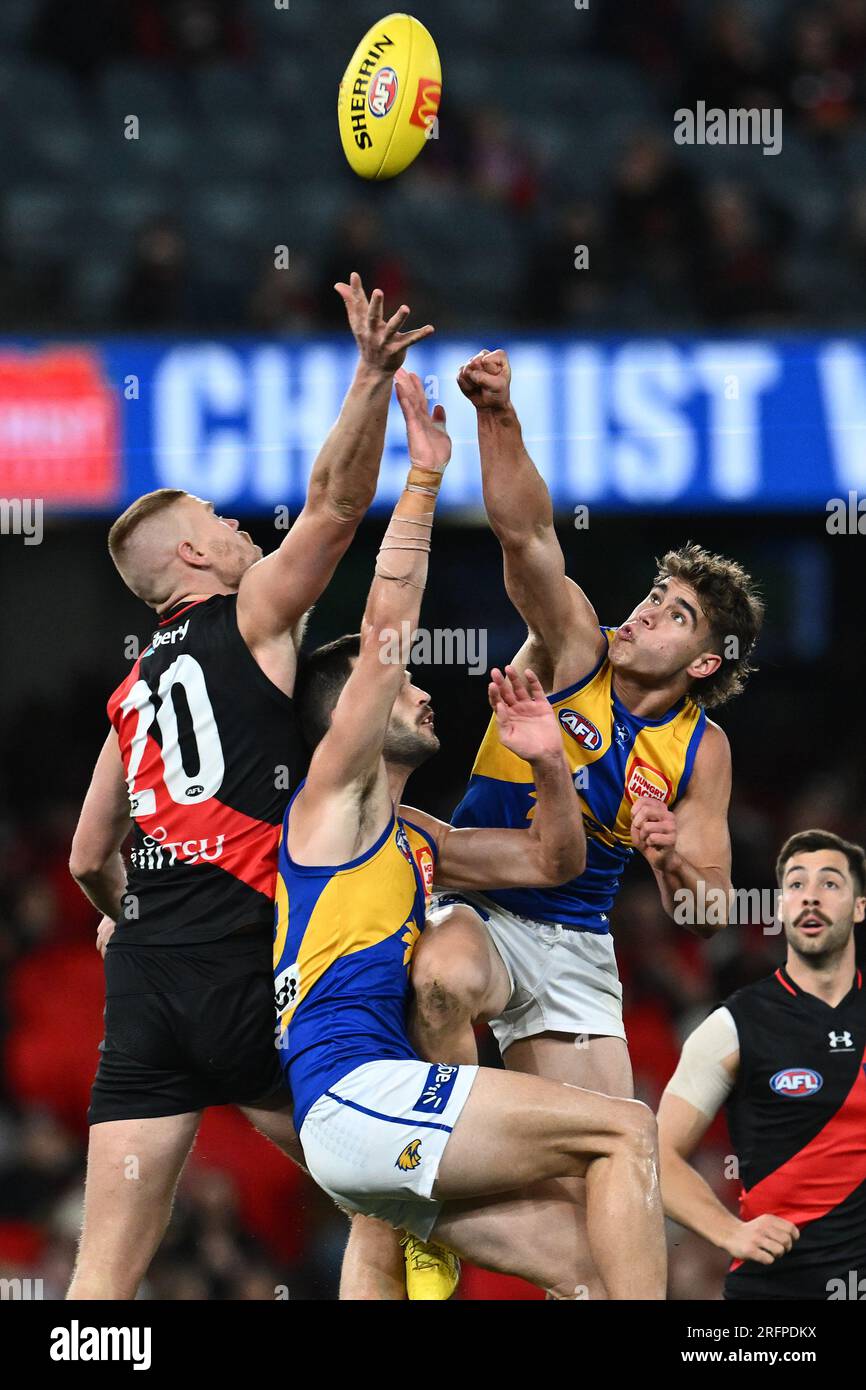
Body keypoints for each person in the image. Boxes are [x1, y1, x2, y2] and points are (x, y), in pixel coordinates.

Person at [66, 274, 433, 1299]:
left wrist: (120, 916)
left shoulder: (130, 689)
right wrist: (368, 377)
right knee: (397, 1193)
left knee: (98, 1285)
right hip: (252, 969)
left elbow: (90, 854)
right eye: (224, 521)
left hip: (146, 987)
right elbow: (335, 505)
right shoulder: (253, 617)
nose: (241, 531)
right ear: (193, 553)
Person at [381, 346, 765, 1298]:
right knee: (442, 980)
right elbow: (527, 536)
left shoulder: (699, 752)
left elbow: (711, 914)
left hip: (578, 945)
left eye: (674, 616)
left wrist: (675, 859)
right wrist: (498, 416)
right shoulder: (575, 644)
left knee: (620, 1185)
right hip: (484, 907)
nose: (646, 616)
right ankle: (427, 1203)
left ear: (706, 663)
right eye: (653, 597)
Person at [276, 370, 667, 1300]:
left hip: (367, 1128)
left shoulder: (405, 835)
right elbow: (382, 637)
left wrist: (545, 763)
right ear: (354, 725)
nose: (420, 692)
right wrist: (422, 480)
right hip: (358, 1096)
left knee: (590, 1268)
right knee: (626, 1130)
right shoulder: (338, 797)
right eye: (400, 693)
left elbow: (550, 861)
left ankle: (425, 1241)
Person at [658, 829, 866, 1301]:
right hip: (775, 1299)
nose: (810, 897)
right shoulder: (730, 1026)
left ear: (859, 906)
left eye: (830, 883)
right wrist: (729, 1231)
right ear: (779, 909)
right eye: (795, 885)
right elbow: (657, 1155)